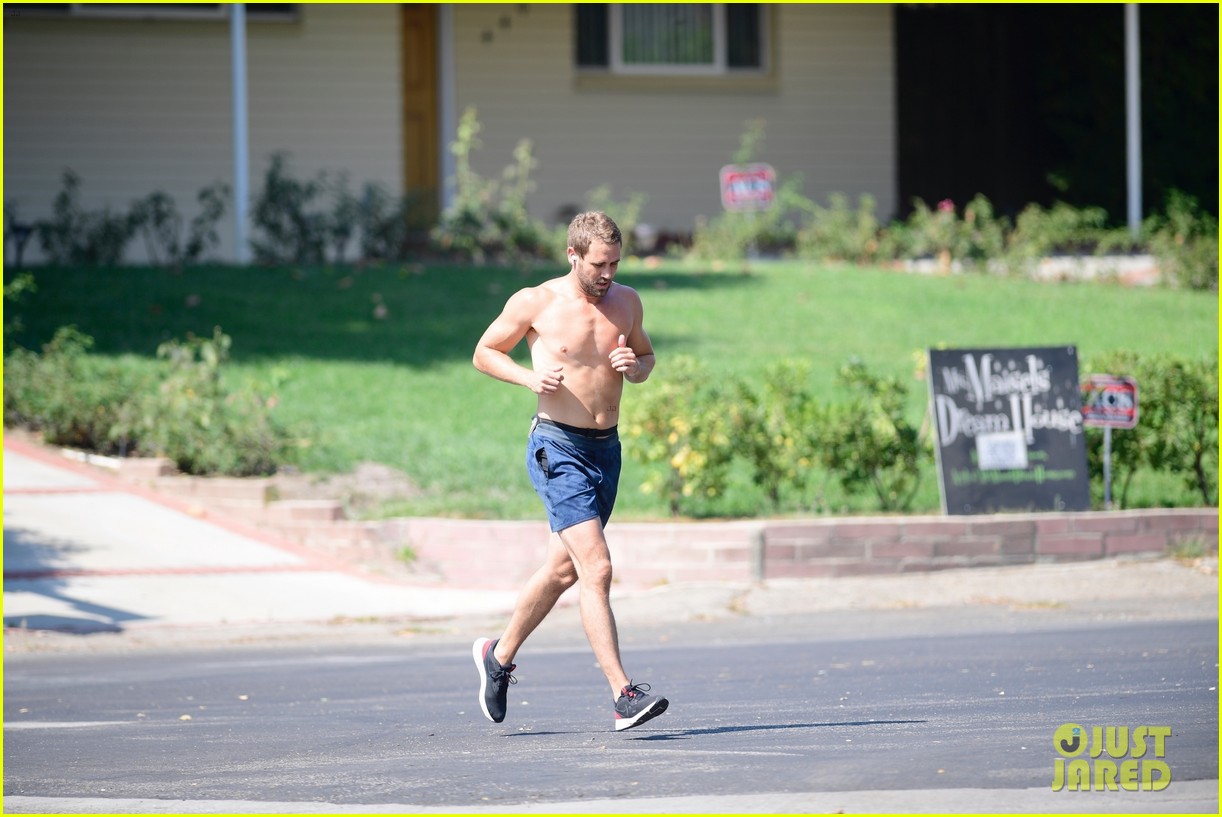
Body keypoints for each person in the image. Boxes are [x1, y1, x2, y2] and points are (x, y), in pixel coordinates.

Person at [470, 211, 669, 732]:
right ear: (573, 256)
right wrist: (527, 376)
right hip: (556, 448)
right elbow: (484, 352)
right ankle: (623, 694)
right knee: (596, 568)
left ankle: (498, 654)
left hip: (607, 450)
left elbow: (646, 357)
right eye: (599, 264)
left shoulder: (627, 302)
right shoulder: (535, 301)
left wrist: (637, 367)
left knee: (563, 571)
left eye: (615, 264)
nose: (608, 274)